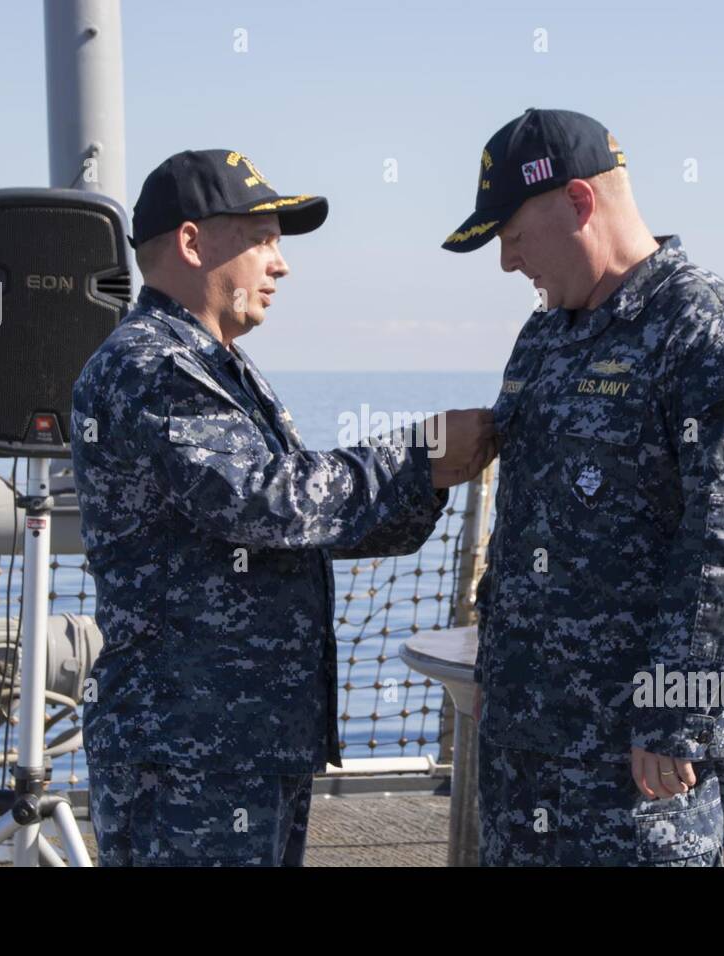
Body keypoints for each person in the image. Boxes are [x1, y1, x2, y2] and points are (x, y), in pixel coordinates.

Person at [73, 148, 495, 865]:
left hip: (240, 742)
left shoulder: (216, 365)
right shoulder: (151, 366)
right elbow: (264, 502)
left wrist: (431, 478)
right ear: (192, 241)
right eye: (262, 237)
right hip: (189, 753)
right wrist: (420, 453)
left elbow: (296, 522)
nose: (281, 262)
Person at [442, 109, 724, 866]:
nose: (508, 263)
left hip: (633, 767)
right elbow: (524, 522)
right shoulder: (546, 335)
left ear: (579, 202)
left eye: (512, 236)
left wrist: (676, 713)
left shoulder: (704, 328)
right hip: (524, 752)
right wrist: (498, 666)